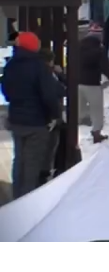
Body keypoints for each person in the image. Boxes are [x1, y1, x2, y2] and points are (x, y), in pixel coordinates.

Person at [1, 32, 63, 199]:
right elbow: (49, 94)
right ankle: (26, 199)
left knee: (19, 159)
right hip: (36, 121)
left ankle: (16, 195)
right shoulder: (39, 66)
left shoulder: (11, 65)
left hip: (16, 120)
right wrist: (54, 115)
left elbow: (6, 91)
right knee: (32, 162)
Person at [76, 24, 109, 144]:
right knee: (97, 110)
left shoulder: (78, 47)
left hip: (77, 82)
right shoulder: (99, 50)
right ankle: (96, 133)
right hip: (93, 83)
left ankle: (73, 130)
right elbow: (104, 67)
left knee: (78, 108)